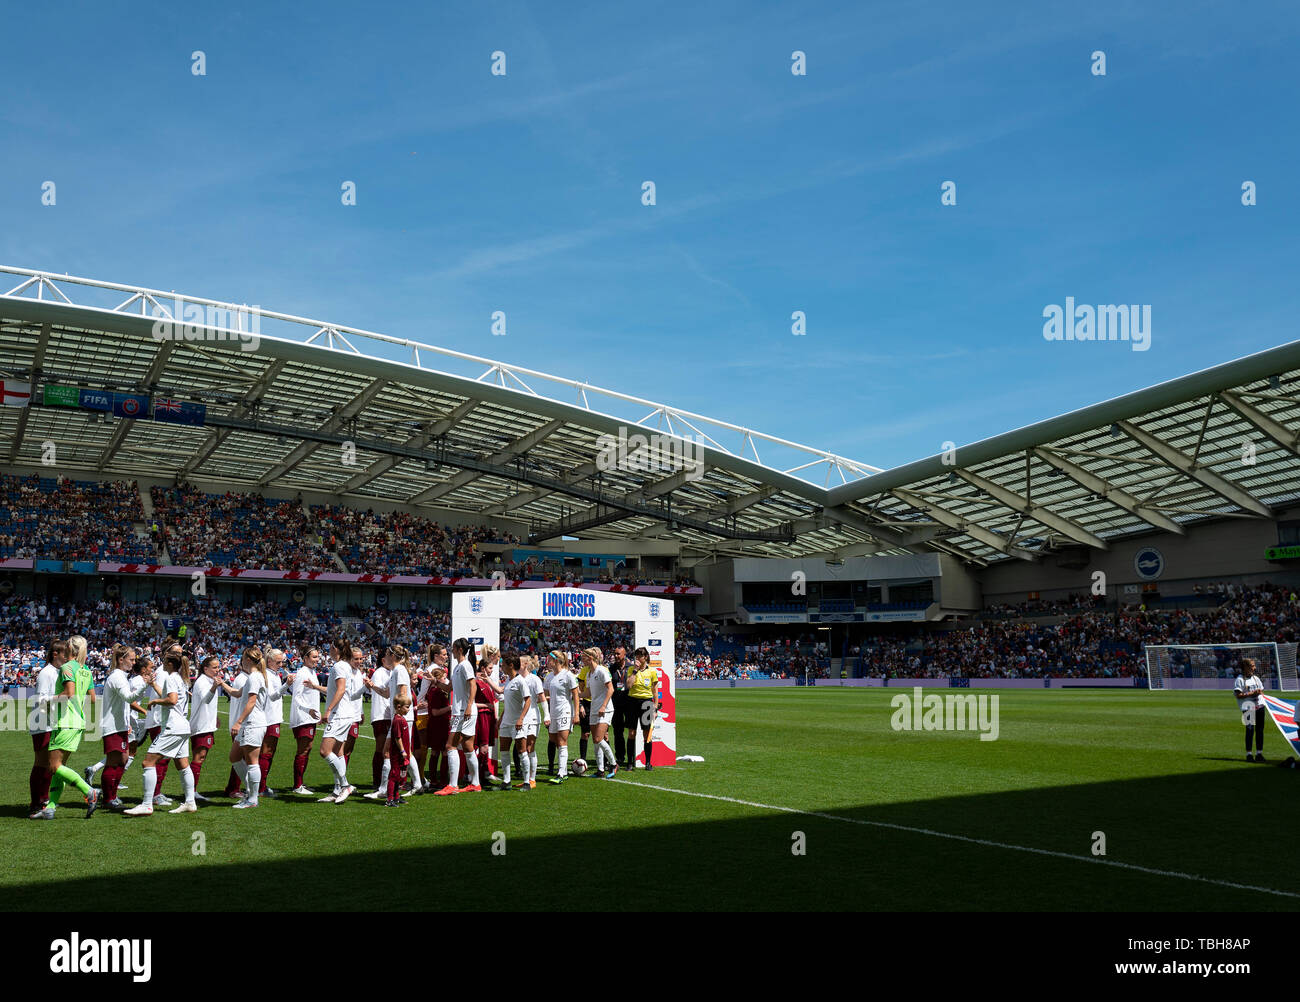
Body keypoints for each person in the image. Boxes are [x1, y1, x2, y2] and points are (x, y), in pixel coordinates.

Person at [124, 651, 199, 815]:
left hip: (173, 726)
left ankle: (147, 804)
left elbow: (171, 700)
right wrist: (153, 686)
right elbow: (170, 696)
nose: (162, 663)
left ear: (171, 664)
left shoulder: (171, 677)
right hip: (182, 726)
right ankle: (190, 802)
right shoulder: (179, 678)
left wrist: (155, 701)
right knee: (182, 764)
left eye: (164, 661)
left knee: (148, 762)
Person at [36, 635, 100, 819]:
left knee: (54, 766)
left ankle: (90, 791)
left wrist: (47, 700)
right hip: (78, 722)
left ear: (70, 649)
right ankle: (50, 808)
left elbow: (69, 693)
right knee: (59, 767)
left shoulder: (66, 668)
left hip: (64, 722)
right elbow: (93, 699)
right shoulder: (86, 670)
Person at [96, 643, 151, 811]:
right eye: (131, 659)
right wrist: (145, 683)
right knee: (114, 761)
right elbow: (128, 698)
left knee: (123, 759)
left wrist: (127, 723)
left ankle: (111, 795)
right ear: (121, 660)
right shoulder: (117, 677)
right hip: (112, 725)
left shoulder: (121, 676)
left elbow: (124, 704)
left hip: (119, 724)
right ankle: (108, 798)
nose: (134, 663)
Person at [435, 638, 480, 795]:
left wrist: (468, 705)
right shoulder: (458, 667)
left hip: (463, 712)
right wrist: (434, 682)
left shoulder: (465, 665)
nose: (451, 651)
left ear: (459, 650)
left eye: (453, 648)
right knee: (468, 747)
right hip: (463, 711)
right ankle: (476, 783)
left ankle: (453, 785)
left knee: (450, 746)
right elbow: (448, 688)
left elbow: (473, 685)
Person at [227, 647, 271, 808]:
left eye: (242, 658)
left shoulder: (255, 677)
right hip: (249, 723)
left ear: (247, 660)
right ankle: (250, 791)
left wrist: (238, 722)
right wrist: (221, 683)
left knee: (252, 762)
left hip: (253, 723)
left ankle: (252, 798)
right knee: (234, 757)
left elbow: (251, 702)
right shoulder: (253, 677)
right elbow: (238, 693)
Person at [27, 638, 65, 818]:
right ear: (55, 654)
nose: (67, 658)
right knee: (41, 764)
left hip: (50, 723)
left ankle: (42, 799)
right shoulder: (46, 673)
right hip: (42, 723)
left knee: (49, 765)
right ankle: (36, 802)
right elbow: (41, 700)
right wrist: (63, 697)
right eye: (65, 654)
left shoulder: (57, 672)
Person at [317, 639, 358, 803]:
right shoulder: (345, 666)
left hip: (340, 714)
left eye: (330, 647)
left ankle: (345, 785)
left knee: (325, 751)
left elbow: (341, 690)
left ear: (335, 648)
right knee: (337, 752)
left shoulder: (340, 666)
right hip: (344, 713)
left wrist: (328, 710)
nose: (329, 650)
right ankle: (337, 790)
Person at [288, 644, 327, 795]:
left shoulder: (311, 672)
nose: (317, 659)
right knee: (303, 749)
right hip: (303, 718)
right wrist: (308, 710)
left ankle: (300, 783)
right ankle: (297, 785)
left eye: (318, 657)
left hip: (309, 717)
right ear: (305, 658)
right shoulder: (303, 673)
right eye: (314, 657)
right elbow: (297, 697)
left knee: (307, 749)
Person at [188, 654, 223, 802]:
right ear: (205, 668)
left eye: (218, 667)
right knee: (198, 758)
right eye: (214, 667)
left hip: (206, 724)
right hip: (201, 725)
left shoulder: (208, 680)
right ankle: (191, 791)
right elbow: (206, 699)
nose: (217, 670)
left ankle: (192, 790)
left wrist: (214, 717)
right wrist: (215, 687)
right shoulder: (203, 681)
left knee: (200, 758)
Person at [496, 651, 531, 791]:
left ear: (510, 665)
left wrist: (521, 719)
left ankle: (527, 782)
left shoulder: (520, 681)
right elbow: (509, 703)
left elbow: (528, 700)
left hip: (518, 722)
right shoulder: (509, 681)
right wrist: (501, 718)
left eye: (503, 664)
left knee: (522, 751)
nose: (501, 667)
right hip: (506, 722)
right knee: (504, 750)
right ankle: (506, 781)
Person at [544, 650, 580, 783]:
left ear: (556, 661)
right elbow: (545, 696)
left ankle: (561, 773)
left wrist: (576, 714)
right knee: (553, 740)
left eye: (549, 659)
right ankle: (563, 769)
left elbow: (575, 695)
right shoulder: (549, 677)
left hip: (565, 711)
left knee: (561, 741)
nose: (547, 662)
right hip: (553, 713)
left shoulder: (568, 675)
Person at [583, 647, 618, 779]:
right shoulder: (588, 673)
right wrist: (575, 694)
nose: (581, 659)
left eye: (583, 657)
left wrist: (603, 706)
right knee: (595, 741)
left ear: (590, 658)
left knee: (598, 739)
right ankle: (600, 769)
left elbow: (611, 689)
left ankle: (614, 764)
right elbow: (588, 693)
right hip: (594, 709)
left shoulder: (602, 670)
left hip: (605, 709)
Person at [257, 648, 287, 799]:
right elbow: (273, 697)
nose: (281, 664)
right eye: (278, 662)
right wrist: (287, 685)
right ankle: (260, 787)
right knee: (266, 753)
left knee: (269, 753)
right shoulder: (267, 675)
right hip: (270, 718)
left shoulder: (273, 674)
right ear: (269, 661)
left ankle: (261, 785)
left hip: (273, 717)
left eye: (282, 661)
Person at [626, 647, 660, 770]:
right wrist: (635, 670)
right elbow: (629, 685)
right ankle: (630, 762)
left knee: (647, 734)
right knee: (631, 733)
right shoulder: (631, 669)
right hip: (632, 702)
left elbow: (655, 691)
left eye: (640, 656)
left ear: (645, 657)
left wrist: (655, 707)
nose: (637, 659)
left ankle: (648, 762)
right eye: (636, 656)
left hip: (646, 703)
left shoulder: (652, 671)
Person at [515, 654, 545, 789]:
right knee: (522, 748)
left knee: (529, 747)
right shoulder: (517, 679)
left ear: (526, 664)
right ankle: (526, 778)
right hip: (520, 716)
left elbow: (542, 698)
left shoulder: (535, 679)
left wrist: (547, 716)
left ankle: (532, 779)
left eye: (519, 663)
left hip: (532, 716)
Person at [1234, 657, 1266, 762]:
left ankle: (1259, 754)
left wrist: (1259, 693)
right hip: (1248, 707)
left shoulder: (1256, 678)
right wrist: (1252, 693)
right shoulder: (1239, 679)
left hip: (1260, 706)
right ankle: (1249, 754)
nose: (1254, 668)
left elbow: (1261, 691)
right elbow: (1238, 695)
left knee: (1260, 730)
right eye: (1252, 665)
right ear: (1246, 667)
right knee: (1249, 729)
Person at [385, 694, 414, 807]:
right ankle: (389, 799)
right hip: (397, 754)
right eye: (407, 707)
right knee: (394, 775)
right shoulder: (397, 720)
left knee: (399, 776)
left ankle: (396, 797)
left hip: (403, 754)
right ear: (398, 707)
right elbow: (398, 738)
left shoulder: (402, 719)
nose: (408, 709)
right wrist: (402, 751)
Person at [609, 646, 633, 768]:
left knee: (631, 732)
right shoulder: (611, 668)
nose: (616, 656)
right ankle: (620, 757)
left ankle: (631, 758)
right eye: (615, 654)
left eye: (618, 654)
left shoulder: (632, 667)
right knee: (618, 732)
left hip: (629, 704)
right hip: (616, 704)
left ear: (624, 654)